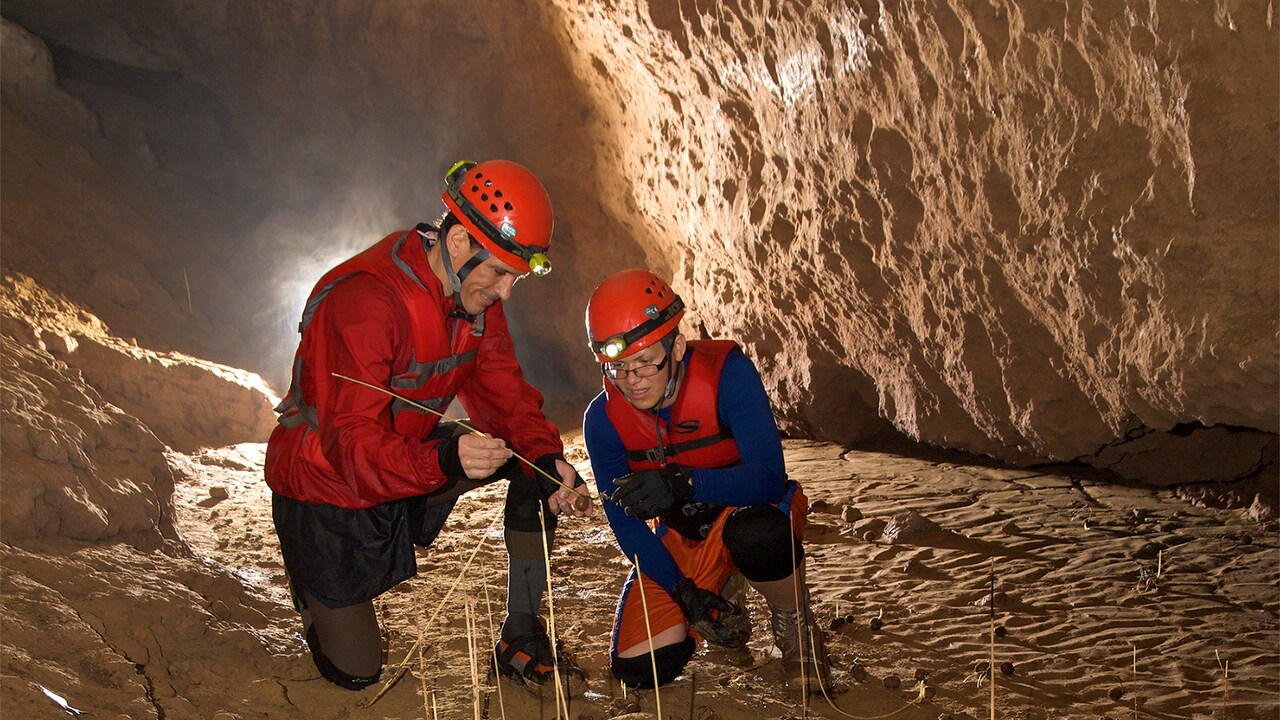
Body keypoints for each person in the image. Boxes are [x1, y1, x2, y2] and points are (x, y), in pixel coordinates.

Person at [265, 159, 591, 695]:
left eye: (515, 276)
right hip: (327, 483)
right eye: (500, 273)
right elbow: (352, 448)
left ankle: (521, 634)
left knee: (532, 466)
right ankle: (312, 589)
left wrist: (547, 459)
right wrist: (441, 461)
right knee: (356, 671)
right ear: (459, 240)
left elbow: (504, 395)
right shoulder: (367, 303)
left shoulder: (475, 298)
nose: (507, 291)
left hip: (407, 455)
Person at [581, 269, 830, 691]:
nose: (633, 380)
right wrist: (686, 594)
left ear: (677, 345)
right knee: (641, 671)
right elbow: (625, 523)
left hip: (749, 510)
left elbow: (770, 479)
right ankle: (722, 587)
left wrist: (685, 483)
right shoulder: (603, 421)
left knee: (759, 534)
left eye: (646, 361)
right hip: (683, 537)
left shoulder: (727, 375)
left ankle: (795, 627)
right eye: (618, 367)